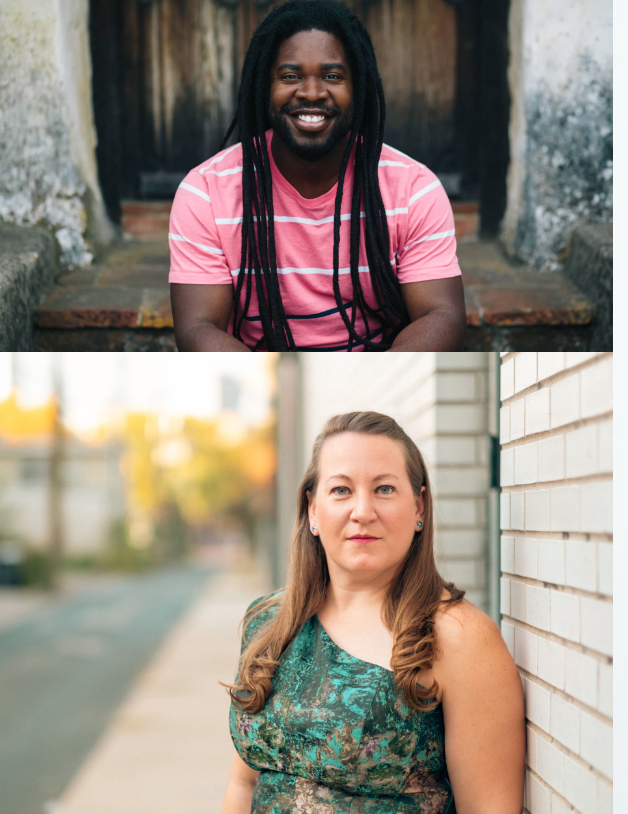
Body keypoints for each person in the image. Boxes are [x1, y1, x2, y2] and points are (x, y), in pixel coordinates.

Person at [221, 411, 523, 812]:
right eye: (341, 490)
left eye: (383, 489)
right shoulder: (269, 620)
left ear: (419, 506)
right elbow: (245, 783)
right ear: (312, 510)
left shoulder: (458, 637)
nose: (362, 511)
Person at [169, 0, 466, 351]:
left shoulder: (413, 189)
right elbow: (198, 327)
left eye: (333, 76)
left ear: (358, 88)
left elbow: (442, 314)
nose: (312, 93)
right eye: (290, 76)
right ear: (265, 86)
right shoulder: (205, 192)